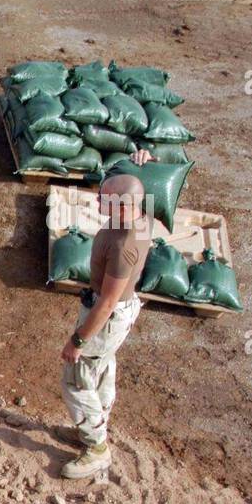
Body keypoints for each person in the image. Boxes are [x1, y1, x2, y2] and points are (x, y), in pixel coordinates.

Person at [56, 156, 153, 478]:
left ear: (123, 207)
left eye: (104, 199)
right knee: (101, 371)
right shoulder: (139, 214)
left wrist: (78, 339)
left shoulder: (125, 243)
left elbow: (109, 301)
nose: (97, 201)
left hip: (107, 315)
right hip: (116, 312)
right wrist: (143, 158)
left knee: (76, 378)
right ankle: (90, 430)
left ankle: (96, 448)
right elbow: (134, 182)